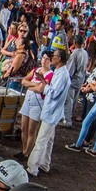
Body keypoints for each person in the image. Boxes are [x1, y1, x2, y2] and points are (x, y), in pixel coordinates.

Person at [26, 46, 70, 177]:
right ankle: (45, 164)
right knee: (49, 140)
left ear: (59, 59)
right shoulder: (58, 72)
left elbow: (54, 93)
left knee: (41, 140)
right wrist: (43, 81)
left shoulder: (62, 75)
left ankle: (32, 167)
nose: (52, 58)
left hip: (52, 111)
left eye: (54, 56)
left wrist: (44, 85)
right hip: (51, 111)